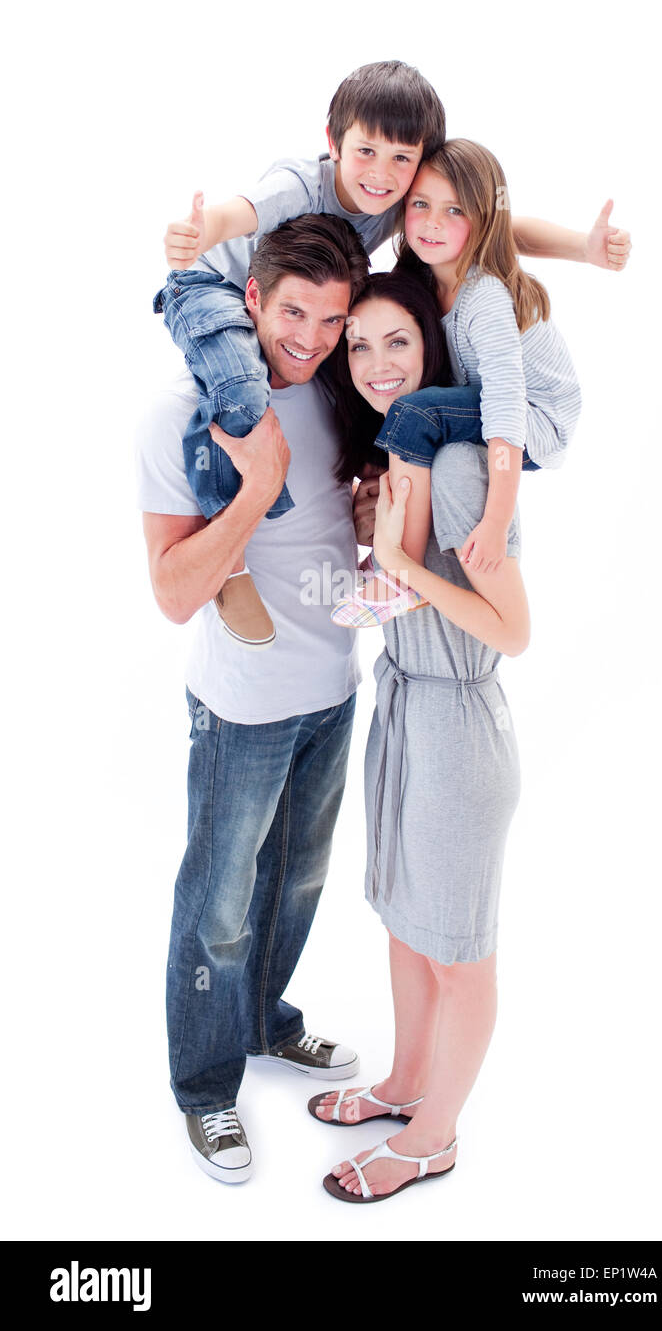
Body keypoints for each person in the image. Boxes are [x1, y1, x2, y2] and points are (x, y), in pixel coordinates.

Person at [156, 60, 629, 642]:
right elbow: (247, 209)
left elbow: (504, 239)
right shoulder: (340, 205)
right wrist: (205, 231)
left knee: (399, 401)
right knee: (295, 387)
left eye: (402, 160)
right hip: (218, 291)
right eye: (368, 154)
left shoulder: (460, 271)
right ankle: (280, 549)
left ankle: (391, 564)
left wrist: (585, 247)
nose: (384, 178)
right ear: (334, 143)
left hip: (534, 417)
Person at [135, 212, 373, 1185]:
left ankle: (265, 1021)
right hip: (239, 707)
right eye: (292, 313)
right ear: (250, 302)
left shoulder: (332, 388)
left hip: (331, 687)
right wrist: (255, 485)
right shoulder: (179, 414)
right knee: (218, 905)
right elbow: (173, 592)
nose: (311, 336)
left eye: (330, 317)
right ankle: (203, 1087)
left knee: (298, 883)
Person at [308, 272, 531, 1204]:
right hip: (403, 702)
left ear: (431, 346)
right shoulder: (398, 457)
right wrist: (363, 563)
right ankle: (404, 1085)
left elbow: (511, 630)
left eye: (396, 341)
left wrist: (398, 560)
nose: (374, 364)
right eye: (356, 345)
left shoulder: (462, 462)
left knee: (456, 945)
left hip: (458, 722)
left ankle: (433, 1136)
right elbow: (382, 604)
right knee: (405, 925)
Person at [330, 138, 585, 628]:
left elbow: (506, 406)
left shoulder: (484, 297)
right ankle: (392, 556)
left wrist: (494, 522)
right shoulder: (421, 276)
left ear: (483, 222)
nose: (431, 223)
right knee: (412, 407)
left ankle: (398, 576)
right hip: (485, 402)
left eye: (454, 211)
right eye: (420, 205)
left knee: (418, 412)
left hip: (537, 417)